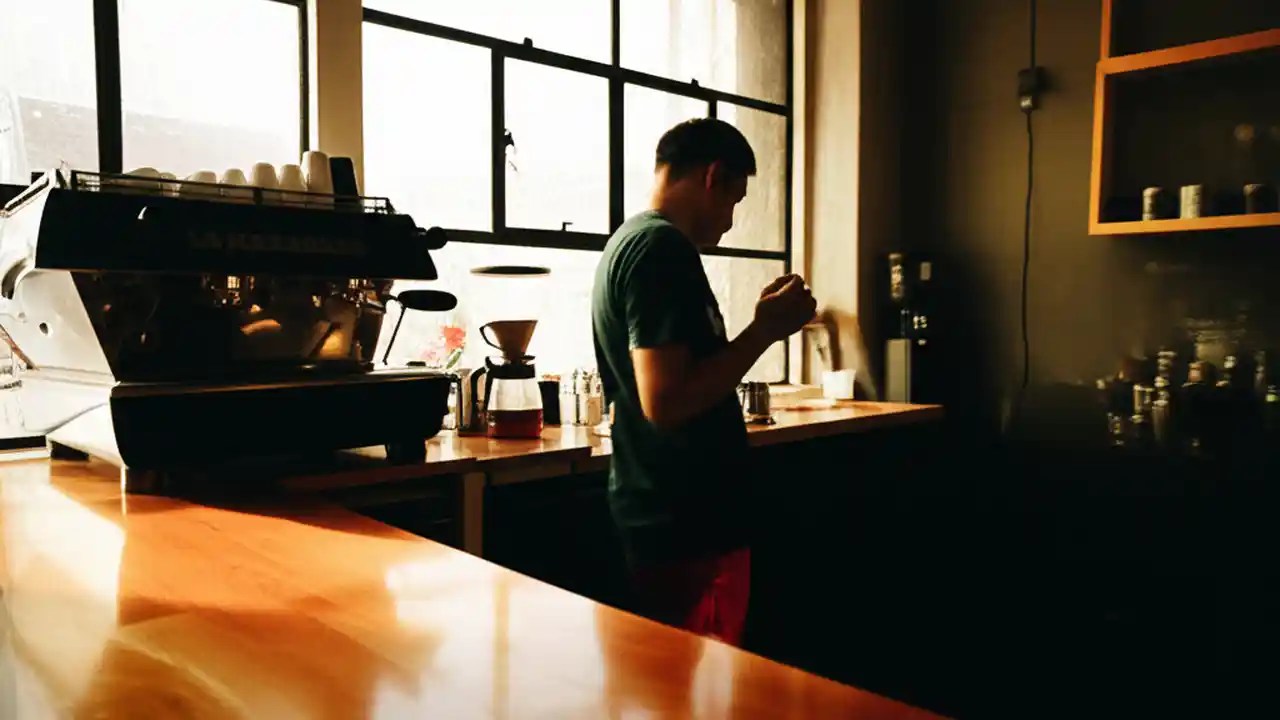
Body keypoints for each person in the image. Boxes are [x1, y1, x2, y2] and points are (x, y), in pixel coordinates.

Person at [590, 118, 816, 646]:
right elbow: (665, 402)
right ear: (713, 175)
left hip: (665, 514)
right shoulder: (659, 250)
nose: (731, 222)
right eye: (734, 201)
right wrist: (765, 331)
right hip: (688, 525)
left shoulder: (632, 242)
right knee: (705, 694)